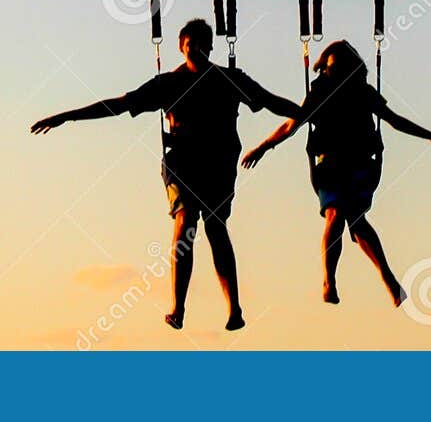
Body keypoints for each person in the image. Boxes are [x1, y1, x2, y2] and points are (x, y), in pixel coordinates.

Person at [31, 19, 298, 331]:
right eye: (190, 42)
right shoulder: (168, 83)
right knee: (185, 223)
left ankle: (234, 308)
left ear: (210, 46)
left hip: (217, 164)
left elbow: (270, 101)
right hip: (183, 163)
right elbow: (119, 104)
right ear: (181, 46)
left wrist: (309, 113)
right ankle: (179, 307)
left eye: (201, 42)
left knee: (215, 226)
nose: (196, 47)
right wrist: (68, 116)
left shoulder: (229, 79)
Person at [242, 39, 431, 306]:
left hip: (360, 164)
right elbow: (291, 126)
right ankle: (330, 279)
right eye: (329, 69)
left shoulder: (363, 93)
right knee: (337, 214)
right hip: (329, 166)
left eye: (338, 69)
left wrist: (430, 136)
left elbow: (394, 120)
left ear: (350, 70)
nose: (332, 74)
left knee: (355, 219)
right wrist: (263, 147)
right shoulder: (320, 92)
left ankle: (385, 275)